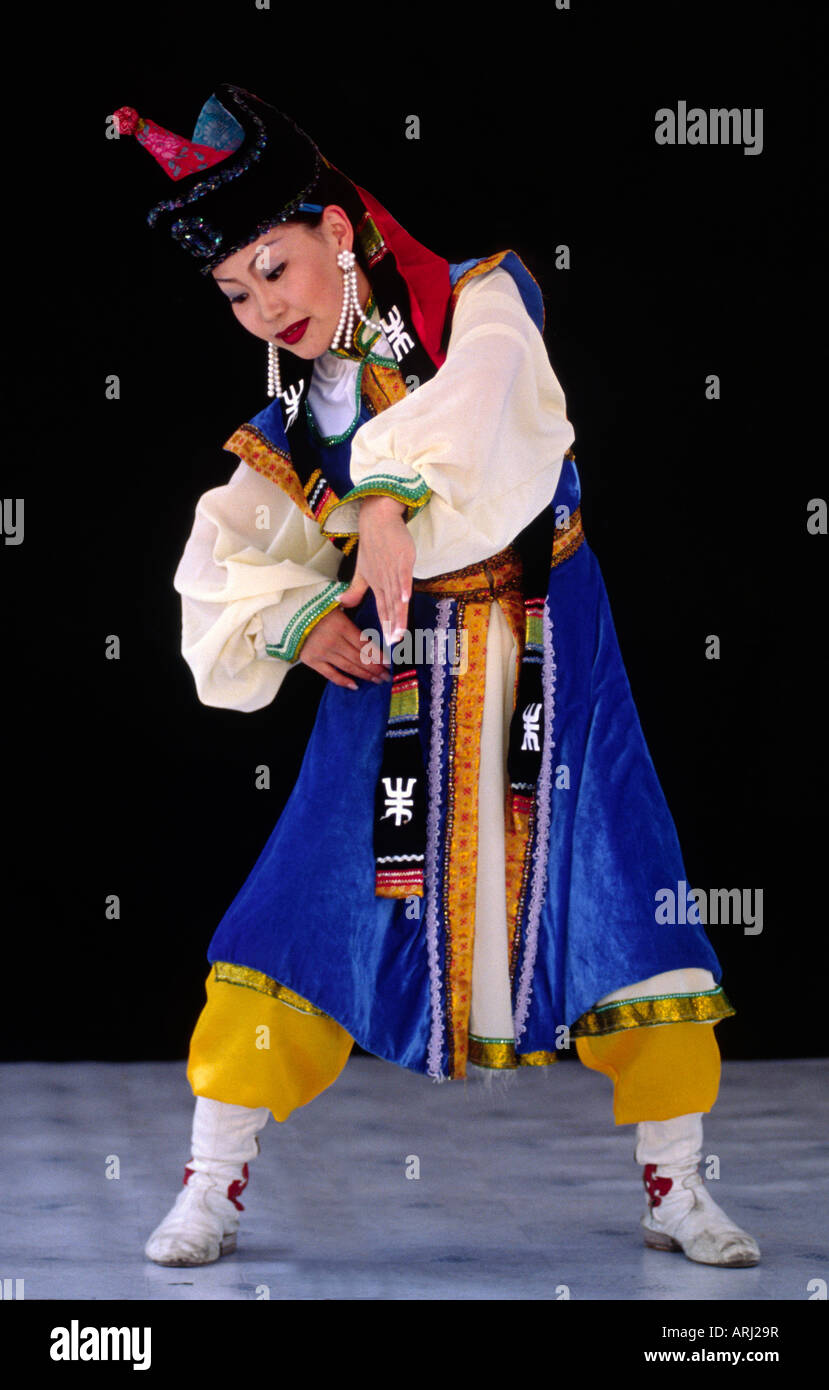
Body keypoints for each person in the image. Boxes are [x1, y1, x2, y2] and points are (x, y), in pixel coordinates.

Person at [113, 83, 760, 1272]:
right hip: (402, 682)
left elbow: (488, 414)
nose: (265, 303)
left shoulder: (482, 298)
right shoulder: (301, 412)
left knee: (624, 897)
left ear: (337, 232)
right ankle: (211, 1180)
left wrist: (389, 498)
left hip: (551, 655)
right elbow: (229, 547)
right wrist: (296, 616)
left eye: (275, 266)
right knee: (301, 907)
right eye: (237, 292)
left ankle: (676, 1181)